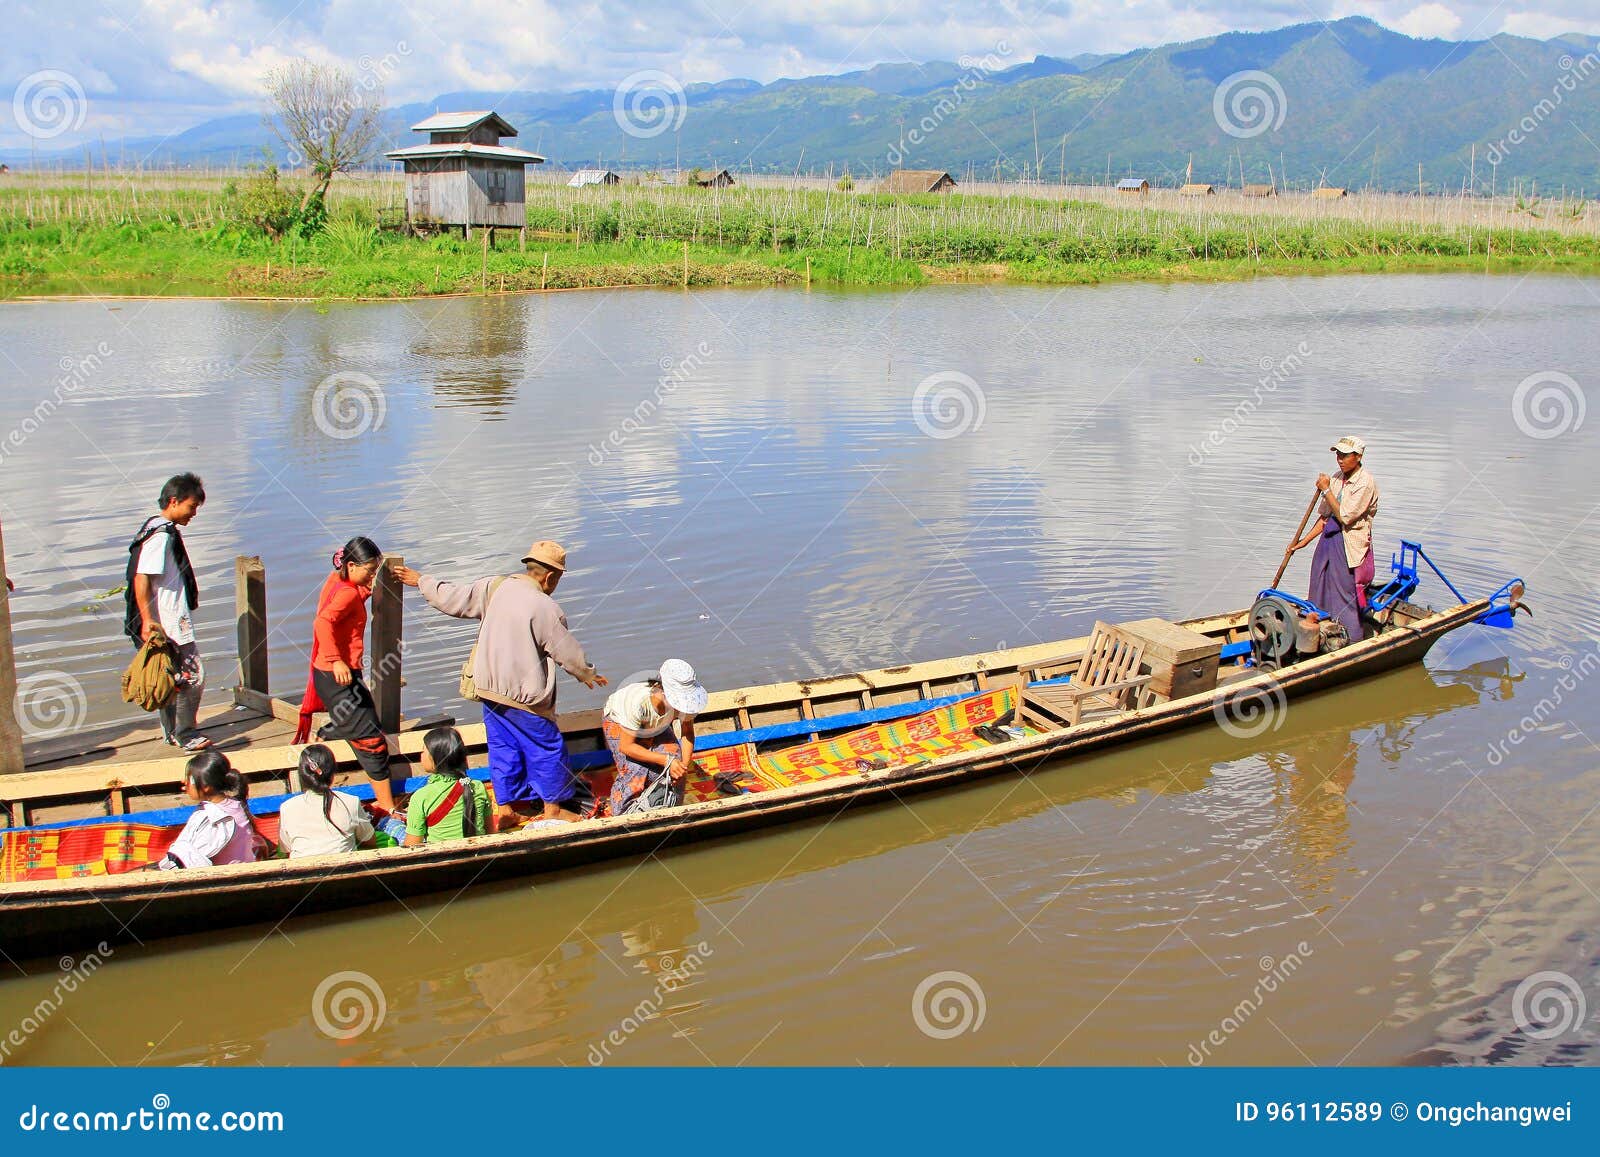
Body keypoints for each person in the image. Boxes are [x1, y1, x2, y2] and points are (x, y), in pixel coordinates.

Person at [391, 541, 608, 826]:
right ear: (551, 576)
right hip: (523, 696)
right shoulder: (545, 607)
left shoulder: (494, 587)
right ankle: (554, 810)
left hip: (488, 689)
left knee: (502, 746)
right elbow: (566, 651)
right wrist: (587, 673)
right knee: (546, 747)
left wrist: (422, 581)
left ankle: (506, 809)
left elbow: (453, 597)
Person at [295, 538, 400, 815]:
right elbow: (322, 622)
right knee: (372, 741)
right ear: (351, 565)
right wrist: (336, 660)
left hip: (332, 676)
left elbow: (348, 603)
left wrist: (367, 590)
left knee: (367, 720)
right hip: (337, 675)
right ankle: (387, 806)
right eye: (370, 570)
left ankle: (329, 732)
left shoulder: (339, 581)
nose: (373, 576)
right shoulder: (347, 593)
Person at [125, 472, 208, 751]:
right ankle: (186, 733)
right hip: (170, 621)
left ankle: (171, 732)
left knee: (170, 678)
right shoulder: (161, 535)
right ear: (174, 501)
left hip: (167, 619)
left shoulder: (152, 528)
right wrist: (148, 620)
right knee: (193, 676)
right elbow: (142, 577)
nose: (194, 513)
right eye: (192, 506)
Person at [1290, 435, 1380, 642]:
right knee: (1319, 580)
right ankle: (1319, 631)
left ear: (1358, 457)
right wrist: (1303, 542)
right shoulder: (1337, 477)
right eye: (1338, 454)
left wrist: (1326, 489)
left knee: (1344, 591)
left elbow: (1346, 517)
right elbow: (1324, 517)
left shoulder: (1365, 482)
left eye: (1345, 455)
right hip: (1329, 538)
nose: (1339, 459)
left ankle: (1353, 639)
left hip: (1347, 542)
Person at [604, 660, 708, 816]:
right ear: (662, 691)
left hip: (657, 726)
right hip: (620, 723)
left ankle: (671, 808)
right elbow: (626, 746)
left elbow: (687, 733)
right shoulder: (638, 703)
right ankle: (623, 813)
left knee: (675, 757)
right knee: (636, 769)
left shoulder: (687, 704)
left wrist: (682, 768)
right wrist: (665, 761)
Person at [150, 750, 270, 869]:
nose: (184, 783)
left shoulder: (212, 816)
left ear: (206, 786)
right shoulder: (236, 804)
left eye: (191, 780)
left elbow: (191, 861)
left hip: (224, 881)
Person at [278, 743, 376, 858]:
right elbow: (370, 841)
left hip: (303, 873)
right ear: (333, 773)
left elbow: (285, 849)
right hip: (345, 872)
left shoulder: (287, 807)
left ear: (302, 774)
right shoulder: (351, 802)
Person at [404, 726, 491, 845]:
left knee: (395, 828)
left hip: (439, 859)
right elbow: (491, 833)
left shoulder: (420, 797)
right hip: (479, 856)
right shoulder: (478, 787)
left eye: (424, 751)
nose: (421, 755)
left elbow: (411, 847)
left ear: (436, 756)